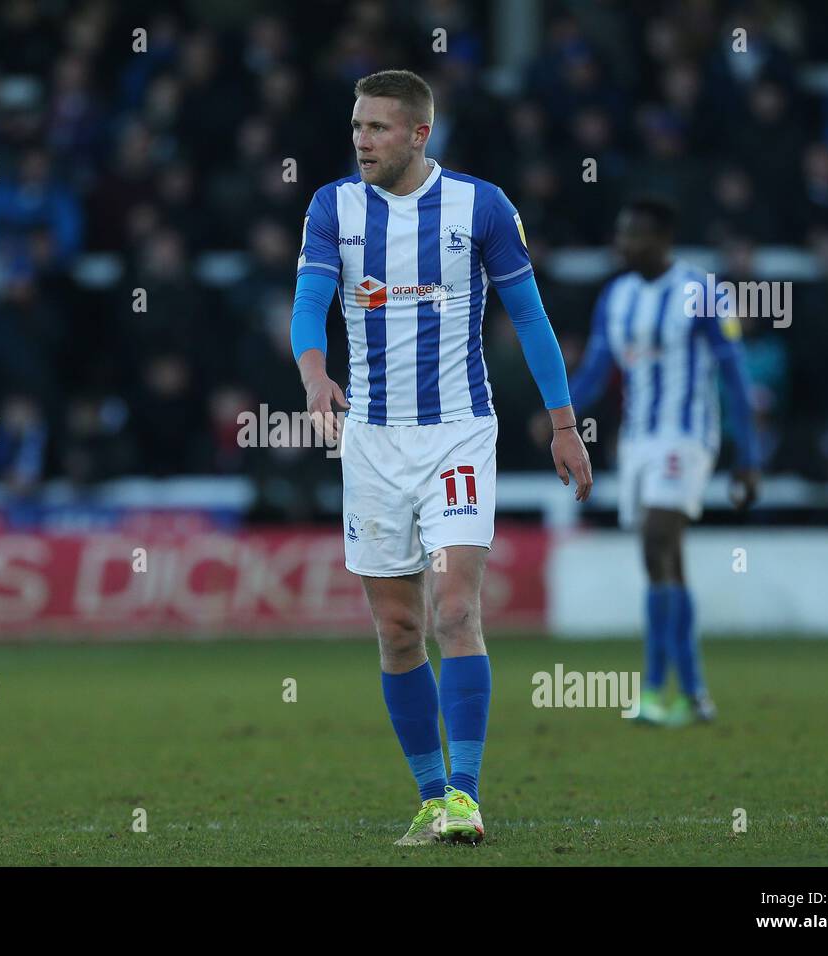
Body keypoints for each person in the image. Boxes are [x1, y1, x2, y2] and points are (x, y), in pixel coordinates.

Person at [290, 70, 591, 845]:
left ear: (419, 134)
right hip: (373, 439)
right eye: (356, 126)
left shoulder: (482, 206)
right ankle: (428, 797)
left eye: (378, 129)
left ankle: (466, 794)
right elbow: (309, 301)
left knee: (454, 607)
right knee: (396, 630)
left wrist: (564, 424)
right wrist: (317, 375)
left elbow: (528, 314)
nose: (361, 140)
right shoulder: (332, 207)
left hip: (458, 428)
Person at [565, 197, 760, 726]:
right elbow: (598, 367)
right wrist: (561, 412)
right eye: (621, 234)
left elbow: (735, 375)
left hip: (687, 438)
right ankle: (695, 693)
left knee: (656, 543)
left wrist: (749, 455)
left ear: (662, 240)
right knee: (666, 559)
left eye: (633, 235)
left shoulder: (702, 291)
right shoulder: (617, 295)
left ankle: (654, 690)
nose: (623, 244)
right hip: (637, 442)